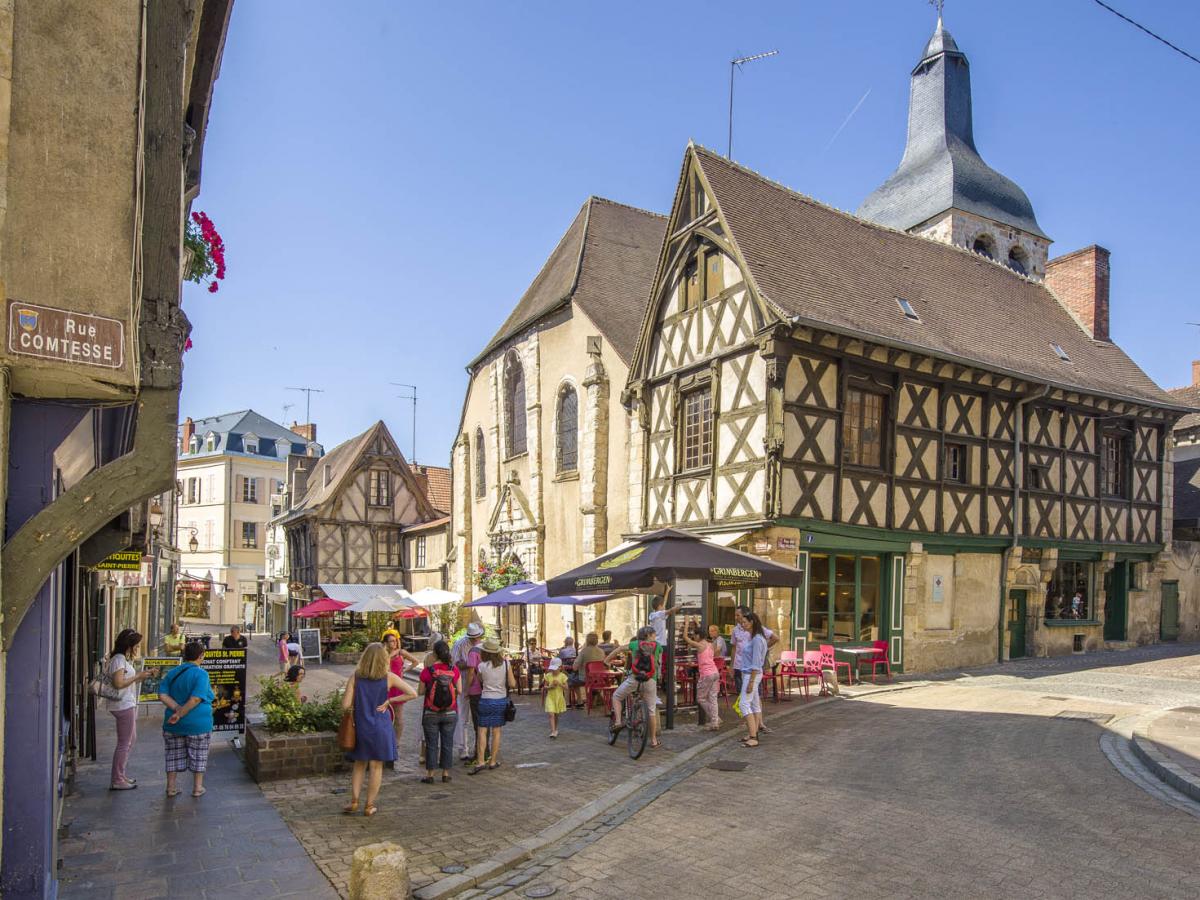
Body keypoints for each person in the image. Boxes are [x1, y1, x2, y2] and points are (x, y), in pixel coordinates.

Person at [341, 643, 415, 816]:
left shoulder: (356, 677)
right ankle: (369, 806)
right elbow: (412, 693)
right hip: (381, 726)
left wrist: (357, 704)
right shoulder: (388, 677)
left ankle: (354, 801)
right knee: (376, 766)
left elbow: (345, 705)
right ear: (384, 659)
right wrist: (390, 701)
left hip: (361, 726)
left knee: (359, 764)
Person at [158, 641, 214, 798]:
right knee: (199, 754)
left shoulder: (173, 672)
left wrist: (176, 709)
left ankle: (171, 787)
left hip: (172, 724)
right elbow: (196, 699)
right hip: (198, 723)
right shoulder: (201, 674)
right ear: (201, 656)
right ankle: (197, 787)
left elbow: (162, 694)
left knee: (173, 754)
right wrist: (181, 713)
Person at [105, 629, 158, 790]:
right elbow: (119, 683)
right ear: (129, 645)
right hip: (123, 704)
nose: (137, 648)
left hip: (127, 703)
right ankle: (117, 779)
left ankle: (120, 775)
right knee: (124, 742)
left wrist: (145, 674)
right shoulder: (119, 660)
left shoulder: (121, 659)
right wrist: (138, 677)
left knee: (131, 739)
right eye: (136, 645)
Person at [605, 627, 661, 750]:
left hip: (635, 679)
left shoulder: (634, 644)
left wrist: (607, 660)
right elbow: (658, 662)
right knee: (651, 710)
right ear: (650, 635)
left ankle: (618, 722)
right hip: (651, 679)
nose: (655, 637)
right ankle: (653, 740)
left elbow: (619, 649)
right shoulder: (658, 646)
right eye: (654, 634)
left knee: (617, 697)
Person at [468, 638, 515, 774]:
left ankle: (481, 761)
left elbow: (480, 680)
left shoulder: (482, 666)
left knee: (482, 731)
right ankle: (493, 761)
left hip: (485, 700)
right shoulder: (506, 664)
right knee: (496, 732)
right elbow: (512, 684)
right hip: (500, 700)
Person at [418, 639, 459, 784]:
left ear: (434, 654)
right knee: (447, 743)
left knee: (431, 744)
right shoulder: (454, 670)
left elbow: (420, 692)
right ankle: (446, 773)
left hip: (431, 712)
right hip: (450, 712)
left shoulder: (427, 671)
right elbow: (459, 690)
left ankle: (430, 774)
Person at [383, 632, 421, 765]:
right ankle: (386, 739)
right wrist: (389, 655)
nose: (394, 643)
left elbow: (416, 661)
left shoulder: (401, 652)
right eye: (391, 641)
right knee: (386, 715)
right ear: (386, 643)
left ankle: (397, 741)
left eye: (395, 640)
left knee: (399, 716)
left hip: (398, 687)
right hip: (386, 686)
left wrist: (405, 671)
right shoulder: (383, 654)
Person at [452, 622, 485, 761]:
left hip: (479, 686)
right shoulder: (460, 644)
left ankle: (480, 749)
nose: (476, 639)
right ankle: (463, 749)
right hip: (464, 683)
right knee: (463, 718)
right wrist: (470, 664)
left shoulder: (482, 646)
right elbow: (454, 663)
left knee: (479, 719)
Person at [737, 611, 768, 747]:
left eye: (744, 622)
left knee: (743, 704)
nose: (742, 625)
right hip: (750, 674)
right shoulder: (755, 637)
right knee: (754, 703)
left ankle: (753, 737)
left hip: (751, 675)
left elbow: (756, 663)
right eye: (741, 622)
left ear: (752, 622)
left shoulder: (757, 639)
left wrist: (750, 682)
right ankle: (753, 733)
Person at [685, 626, 721, 731]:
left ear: (698, 636)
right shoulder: (710, 644)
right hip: (715, 672)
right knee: (713, 698)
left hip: (706, 675)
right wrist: (696, 622)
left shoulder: (699, 645)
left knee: (701, 698)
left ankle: (715, 719)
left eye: (694, 635)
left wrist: (687, 622)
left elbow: (686, 638)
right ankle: (715, 722)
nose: (693, 637)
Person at [571, 632, 607, 709]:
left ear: (587, 640)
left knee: (571, 681)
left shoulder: (584, 651)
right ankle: (595, 697)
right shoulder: (601, 651)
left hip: (586, 678)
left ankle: (579, 701)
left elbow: (575, 667)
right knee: (592, 683)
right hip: (599, 678)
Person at [543, 657, 568, 738]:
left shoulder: (562, 676)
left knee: (556, 714)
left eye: (555, 669)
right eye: (552, 669)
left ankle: (555, 729)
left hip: (559, 698)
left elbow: (566, 688)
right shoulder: (548, 675)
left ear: (560, 667)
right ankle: (553, 731)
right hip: (550, 697)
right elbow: (545, 687)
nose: (553, 670)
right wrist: (550, 687)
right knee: (551, 714)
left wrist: (559, 684)